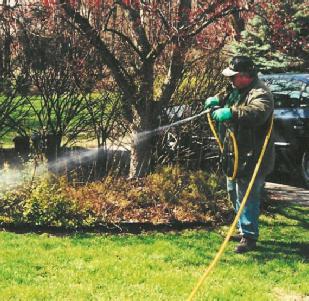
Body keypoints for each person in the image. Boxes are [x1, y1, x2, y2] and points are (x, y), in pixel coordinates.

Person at [204, 55, 275, 253]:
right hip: (234, 154)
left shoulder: (261, 93)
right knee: (232, 191)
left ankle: (249, 237)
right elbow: (224, 96)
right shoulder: (236, 88)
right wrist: (216, 101)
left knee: (247, 195)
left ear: (245, 76)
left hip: (253, 156)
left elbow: (257, 113)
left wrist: (231, 113)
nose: (230, 80)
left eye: (233, 76)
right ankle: (244, 227)